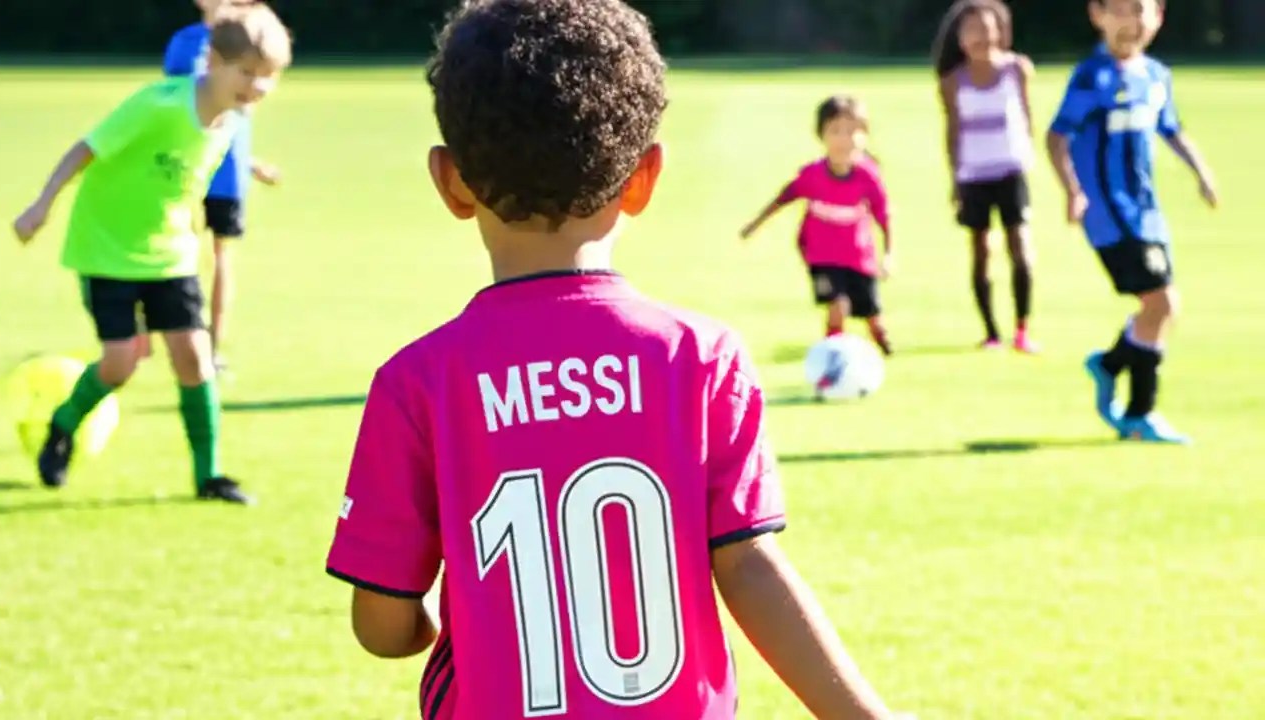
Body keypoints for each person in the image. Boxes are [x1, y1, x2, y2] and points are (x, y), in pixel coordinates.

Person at [325, 1, 902, 718]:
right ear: (643, 177)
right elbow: (750, 565)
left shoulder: (418, 381)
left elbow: (380, 626)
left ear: (450, 182)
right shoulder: (700, 358)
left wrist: (444, 628)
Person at [11, 4, 292, 501]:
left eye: (267, 77)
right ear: (213, 63)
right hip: (107, 250)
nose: (256, 87)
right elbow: (87, 148)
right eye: (246, 72)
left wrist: (253, 168)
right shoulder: (159, 104)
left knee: (195, 360)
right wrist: (42, 205)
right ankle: (62, 424)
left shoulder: (227, 122)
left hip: (170, 255)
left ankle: (209, 475)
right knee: (119, 364)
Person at [1047, 0, 1217, 443]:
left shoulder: (1156, 76)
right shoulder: (1092, 77)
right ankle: (1140, 413)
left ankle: (1111, 364)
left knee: (1160, 307)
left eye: (1140, 10)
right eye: (1120, 10)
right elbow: (1057, 136)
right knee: (1161, 304)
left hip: (1147, 213)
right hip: (1108, 213)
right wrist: (1073, 190)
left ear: (1158, 16)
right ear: (1097, 15)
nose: (1131, 21)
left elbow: (1171, 128)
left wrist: (1201, 173)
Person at [162, 0, 282, 372]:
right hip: (181, 168)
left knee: (218, 258)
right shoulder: (186, 43)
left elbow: (236, 111)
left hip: (227, 171)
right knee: (172, 251)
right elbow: (178, 107)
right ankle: (161, 335)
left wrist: (247, 162)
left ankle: (211, 347)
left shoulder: (257, 40)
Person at [740, 95, 894, 356]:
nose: (844, 139)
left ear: (865, 134)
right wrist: (755, 224)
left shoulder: (868, 176)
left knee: (870, 312)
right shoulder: (812, 175)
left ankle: (881, 338)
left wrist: (890, 254)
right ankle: (834, 356)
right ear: (821, 134)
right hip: (821, 256)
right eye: (835, 131)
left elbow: (884, 215)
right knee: (837, 306)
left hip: (859, 257)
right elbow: (784, 198)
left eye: (852, 130)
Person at [932, 0, 1038, 352]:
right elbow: (953, 130)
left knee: (1020, 246)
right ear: (960, 38)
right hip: (974, 175)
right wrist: (954, 179)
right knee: (980, 252)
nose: (981, 36)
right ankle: (991, 331)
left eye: (987, 27)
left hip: (1010, 170)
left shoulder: (1017, 70)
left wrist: (1029, 158)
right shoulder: (952, 82)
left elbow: (1028, 117)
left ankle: (1022, 328)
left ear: (1000, 30)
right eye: (972, 29)